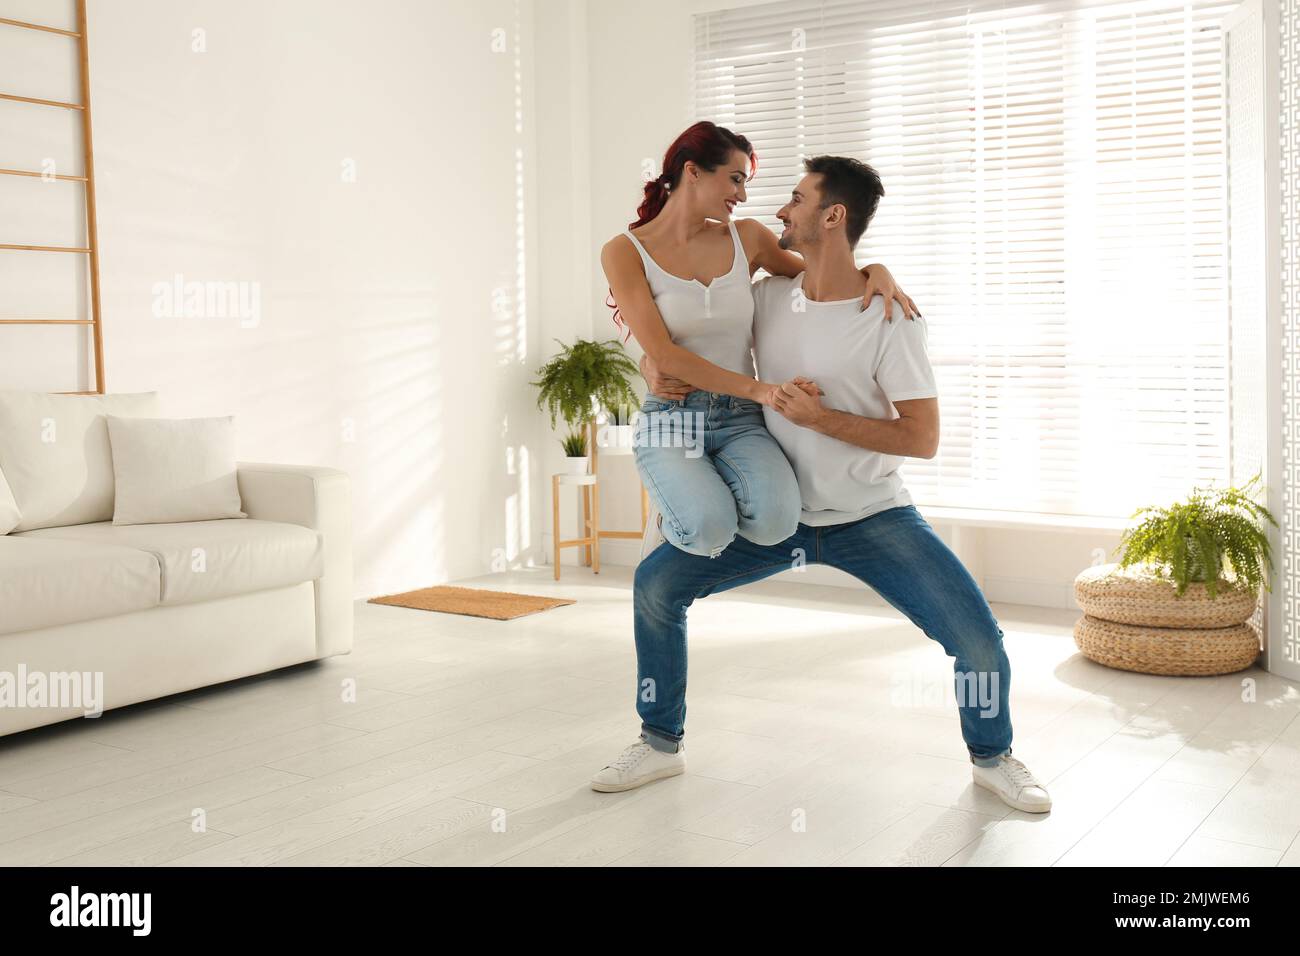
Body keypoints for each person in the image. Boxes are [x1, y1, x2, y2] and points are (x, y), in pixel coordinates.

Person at [591, 155, 1051, 814]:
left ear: (833, 216)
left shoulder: (890, 318)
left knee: (976, 638)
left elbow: (921, 438)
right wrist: (648, 361)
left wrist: (821, 417)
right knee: (656, 587)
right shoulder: (769, 296)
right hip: (772, 513)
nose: (779, 209)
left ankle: (994, 758)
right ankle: (661, 743)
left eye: (797, 198)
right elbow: (692, 335)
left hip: (871, 517)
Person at [601, 121, 918, 559]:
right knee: (707, 529)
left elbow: (822, 277)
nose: (743, 196)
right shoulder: (623, 251)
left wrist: (875, 270)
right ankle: (680, 514)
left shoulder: (746, 237)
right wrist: (765, 392)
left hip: (740, 420)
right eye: (735, 179)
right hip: (676, 415)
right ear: (693, 171)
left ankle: (697, 499)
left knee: (776, 526)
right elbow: (664, 353)